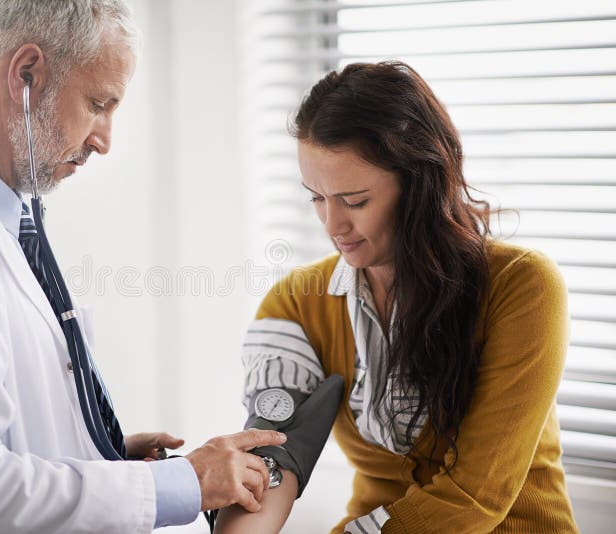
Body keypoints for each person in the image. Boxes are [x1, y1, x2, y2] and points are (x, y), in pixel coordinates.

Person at [0, 1, 285, 532]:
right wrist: (183, 484)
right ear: (26, 74)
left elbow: (2, 426)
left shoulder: (7, 213)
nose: (104, 141)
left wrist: (92, 449)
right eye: (98, 104)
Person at [215, 61, 578, 533]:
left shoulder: (522, 285)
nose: (332, 225)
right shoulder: (298, 300)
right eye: (316, 198)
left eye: (355, 200)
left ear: (420, 185)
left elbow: (475, 496)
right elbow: (274, 457)